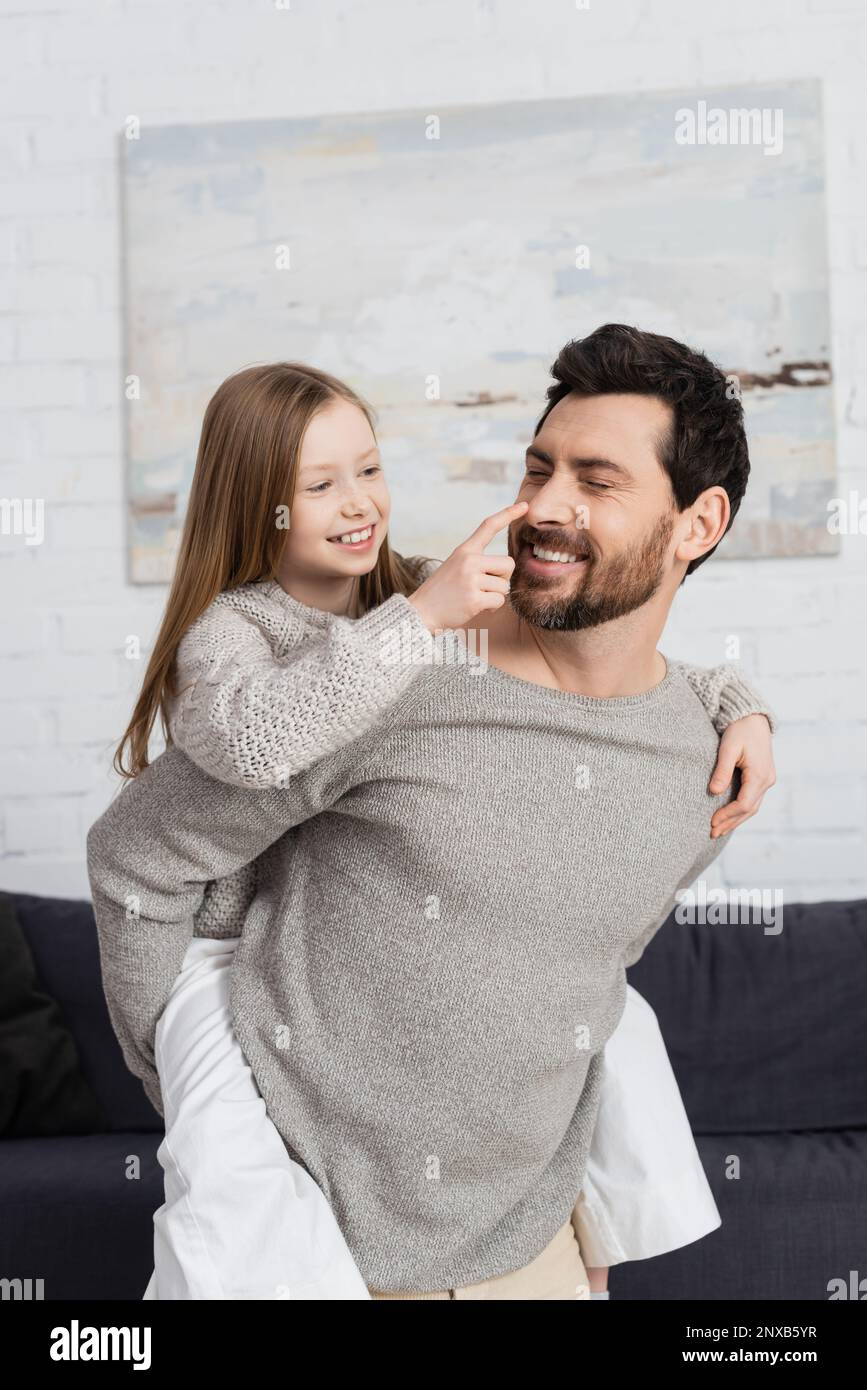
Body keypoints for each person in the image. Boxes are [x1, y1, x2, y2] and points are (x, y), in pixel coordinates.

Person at [88, 326, 776, 1299]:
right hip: (309, 1253)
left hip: (534, 1257)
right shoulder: (380, 674)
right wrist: (187, 1079)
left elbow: (590, 970)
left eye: (595, 480)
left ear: (698, 523)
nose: (543, 506)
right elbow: (137, 854)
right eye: (537, 469)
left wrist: (735, 699)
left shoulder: (704, 764)